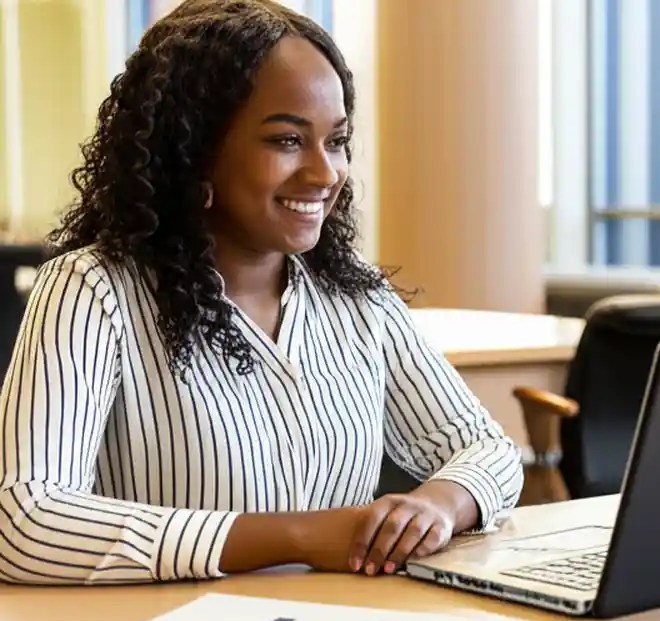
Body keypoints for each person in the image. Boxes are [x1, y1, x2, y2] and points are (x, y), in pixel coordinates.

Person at [0, 0, 523, 584]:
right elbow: (23, 522)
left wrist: (440, 503)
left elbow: (486, 448)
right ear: (193, 150)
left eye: (337, 141)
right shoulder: (92, 289)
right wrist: (298, 535)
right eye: (287, 141)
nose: (325, 174)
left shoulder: (356, 298)